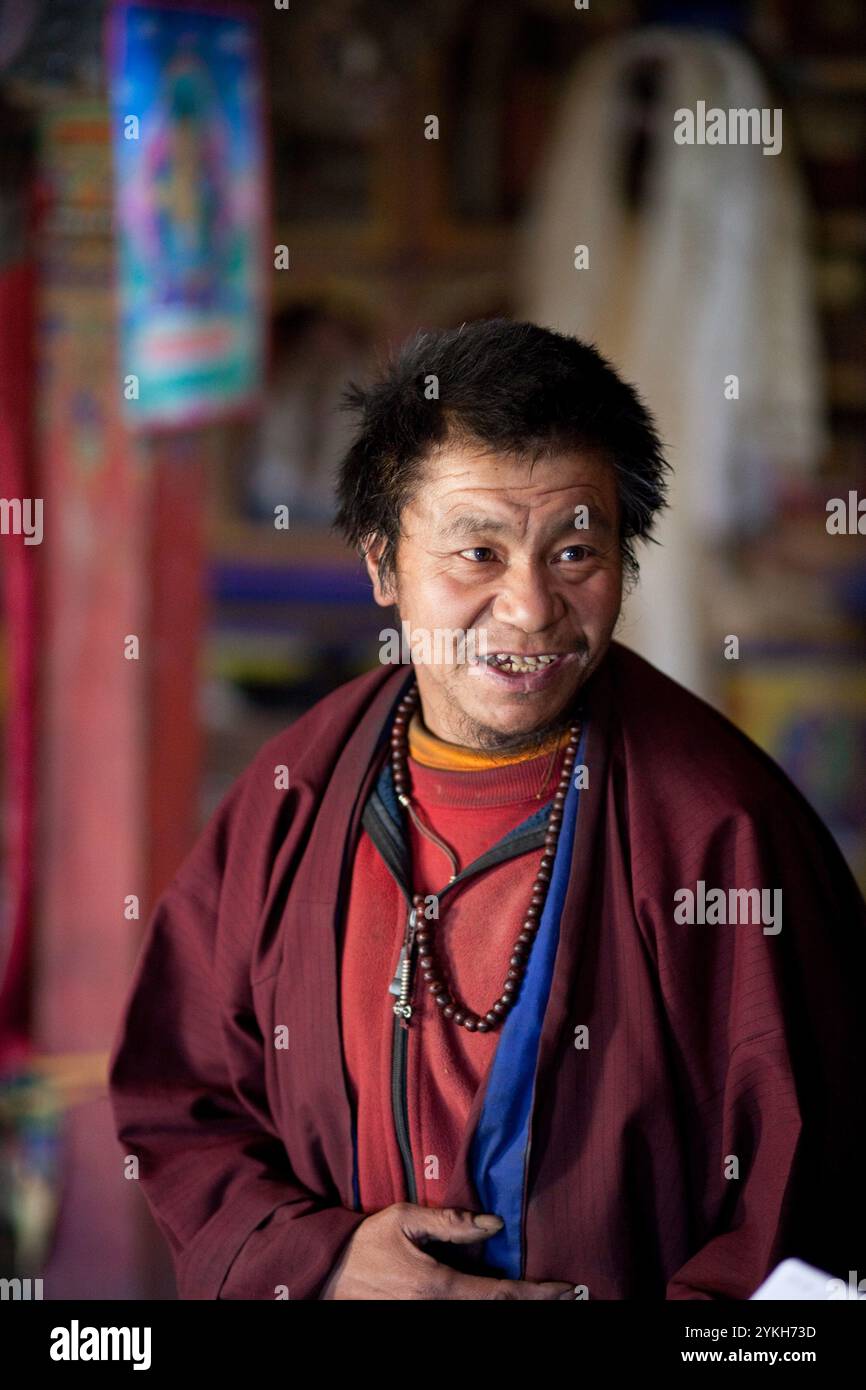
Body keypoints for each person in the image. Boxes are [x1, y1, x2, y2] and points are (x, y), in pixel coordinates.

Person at [109, 319, 866, 1300]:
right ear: (383, 563)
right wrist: (322, 1260)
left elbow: (808, 1214)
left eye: (574, 551)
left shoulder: (723, 835)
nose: (529, 606)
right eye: (476, 551)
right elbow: (183, 1096)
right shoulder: (295, 792)